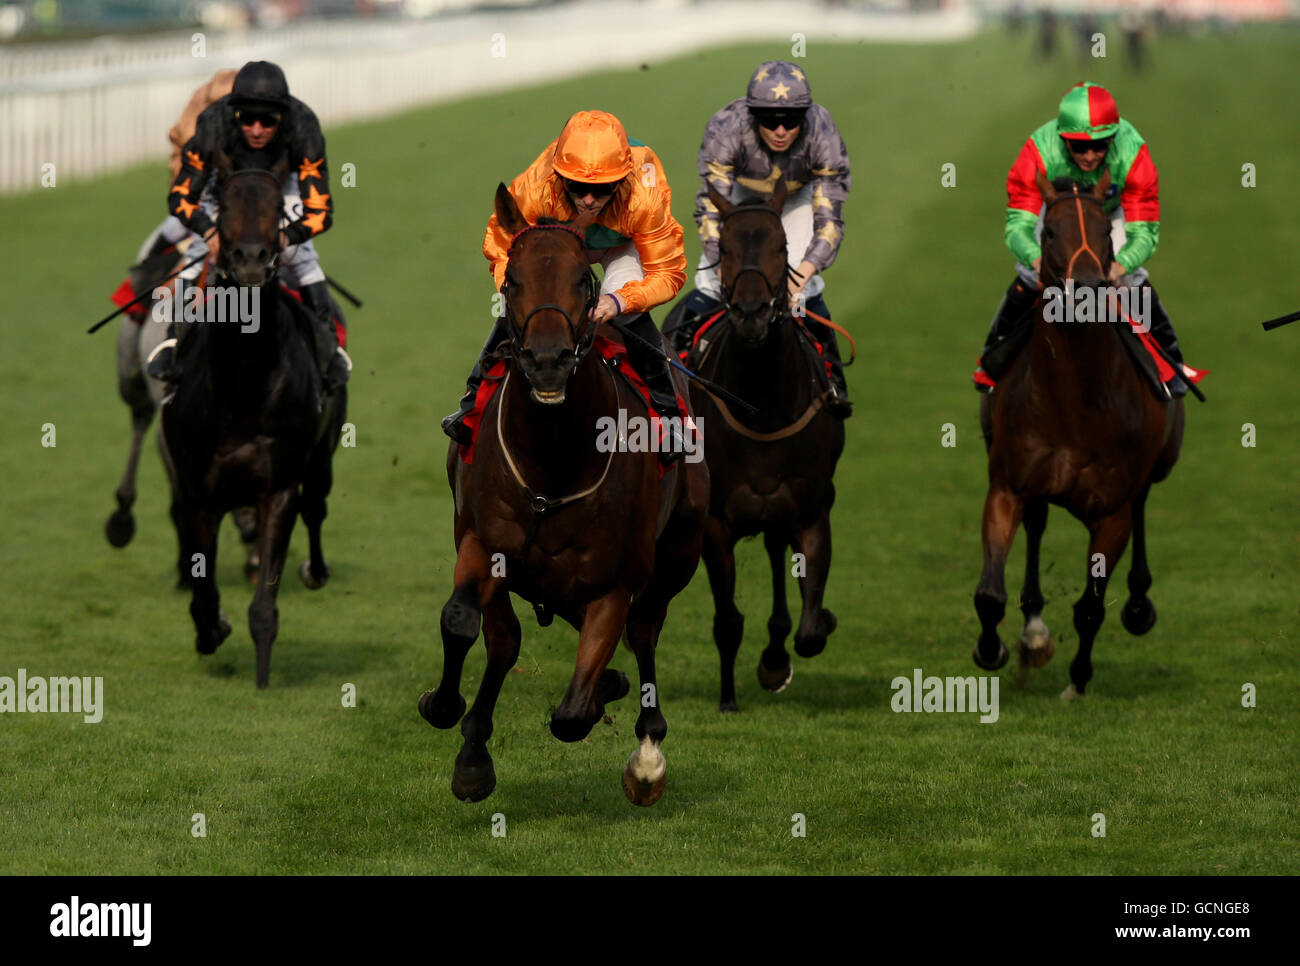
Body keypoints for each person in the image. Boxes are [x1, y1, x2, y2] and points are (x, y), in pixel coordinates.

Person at [442, 109, 689, 457]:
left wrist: (619, 301)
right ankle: (470, 407)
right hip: (558, 242)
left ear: (623, 179)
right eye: (577, 187)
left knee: (629, 315)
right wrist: (516, 292)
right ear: (560, 175)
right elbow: (500, 246)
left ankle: (669, 418)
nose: (588, 200)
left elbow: (668, 272)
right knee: (525, 308)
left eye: (601, 189)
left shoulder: (644, 192)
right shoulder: (537, 184)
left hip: (621, 243)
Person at [146, 60, 349, 392]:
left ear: (282, 116)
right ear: (233, 113)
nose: (256, 129)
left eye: (267, 121)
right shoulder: (213, 123)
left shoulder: (304, 125)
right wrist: (209, 231)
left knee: (301, 255)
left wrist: (287, 236)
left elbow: (320, 209)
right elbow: (182, 196)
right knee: (200, 251)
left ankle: (330, 348)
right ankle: (172, 343)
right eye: (247, 119)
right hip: (225, 182)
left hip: (283, 183)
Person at [974, 81, 1189, 395]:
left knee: (1131, 278)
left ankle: (1173, 362)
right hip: (1057, 213)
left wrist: (1121, 265)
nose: (1090, 155)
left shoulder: (1134, 154)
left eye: (1100, 145)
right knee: (1031, 273)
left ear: (1113, 138)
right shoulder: (1037, 153)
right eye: (1078, 147)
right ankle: (992, 357)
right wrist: (1035, 256)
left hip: (1109, 213)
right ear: (1063, 140)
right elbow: (1018, 226)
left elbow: (1144, 232)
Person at [670, 60, 852, 418]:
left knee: (804, 290)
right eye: (769, 120)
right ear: (752, 115)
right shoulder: (726, 127)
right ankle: (675, 371)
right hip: (736, 197)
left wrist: (804, 271)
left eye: (791, 119)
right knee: (709, 283)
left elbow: (829, 220)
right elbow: (710, 207)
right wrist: (721, 264)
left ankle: (833, 382)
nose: (781, 130)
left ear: (807, 115)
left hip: (797, 197)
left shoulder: (823, 130)